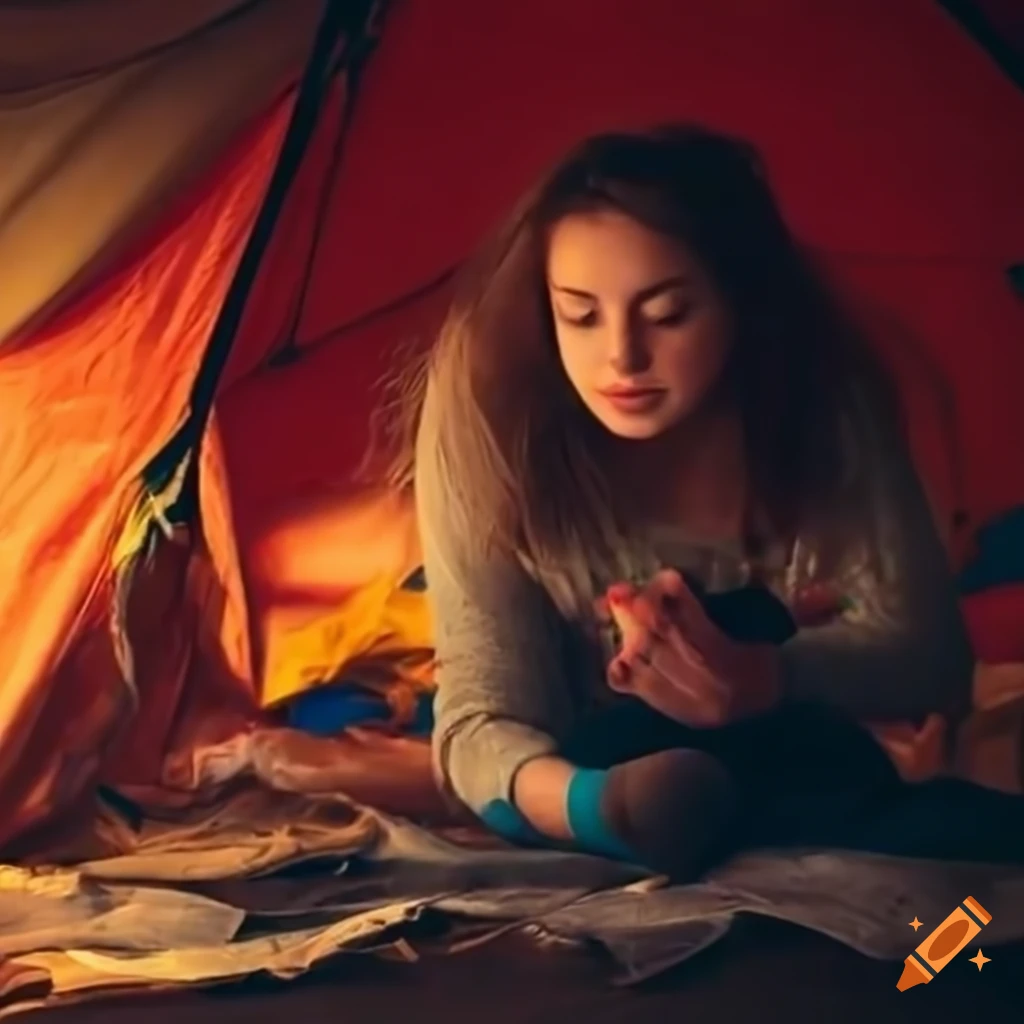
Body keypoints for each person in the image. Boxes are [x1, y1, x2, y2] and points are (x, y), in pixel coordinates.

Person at [391, 124, 975, 879]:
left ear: (742, 302)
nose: (622, 358)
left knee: (958, 918)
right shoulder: (489, 404)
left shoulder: (825, 396)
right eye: (579, 314)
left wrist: (763, 676)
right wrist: (604, 805)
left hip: (787, 749)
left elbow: (934, 659)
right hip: (590, 775)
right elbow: (481, 714)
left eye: (668, 314)